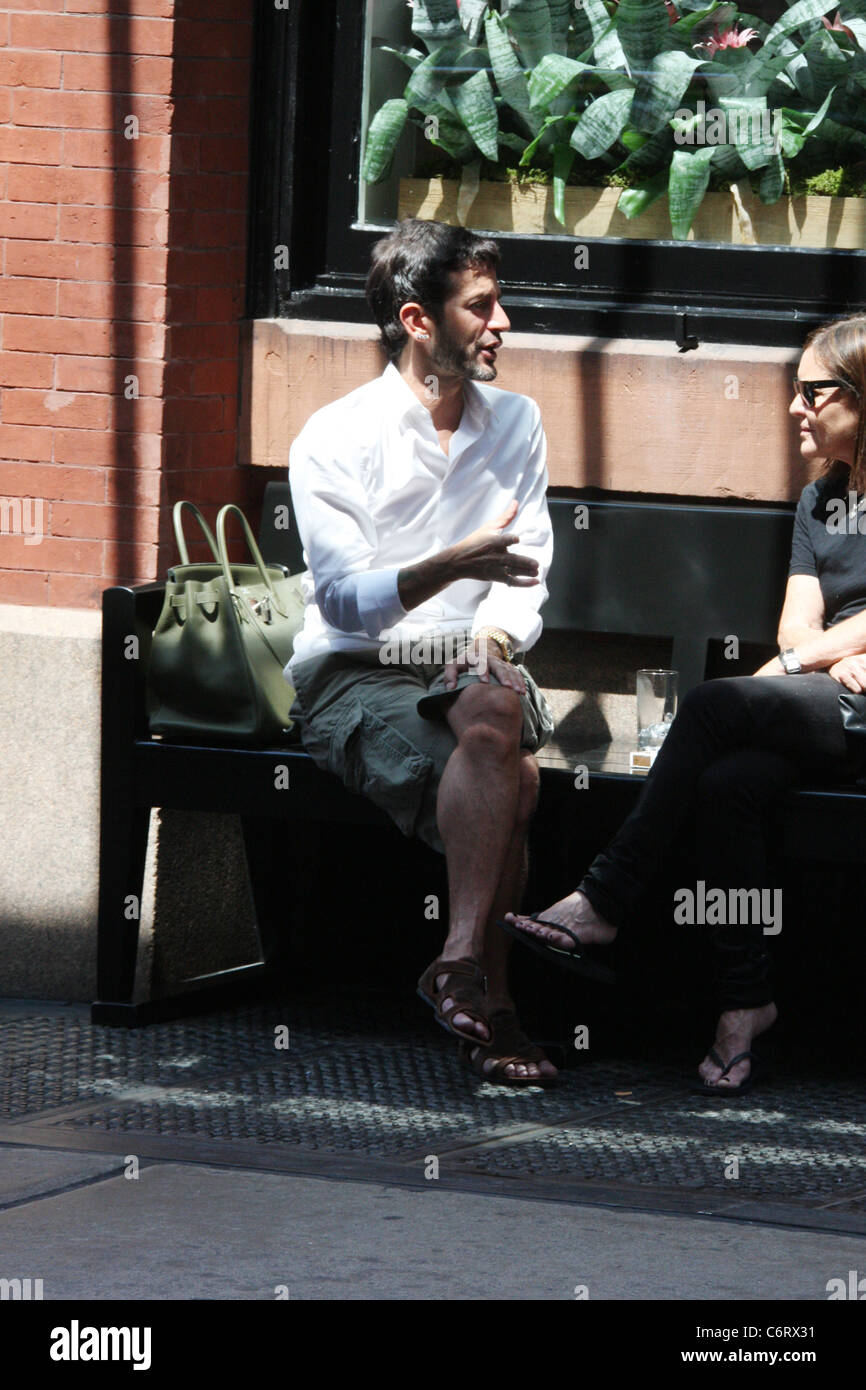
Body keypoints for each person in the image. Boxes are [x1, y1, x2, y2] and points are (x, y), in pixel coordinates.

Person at [503, 311, 866, 1094]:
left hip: (846, 703)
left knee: (706, 709)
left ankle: (602, 899)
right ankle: (746, 1002)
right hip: (828, 702)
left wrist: (813, 656)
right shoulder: (819, 501)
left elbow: (809, 642)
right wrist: (831, 653)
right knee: (723, 785)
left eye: (813, 391)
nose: (795, 407)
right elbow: (795, 625)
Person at [285, 218, 557, 1085]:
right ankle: (497, 1007)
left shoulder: (517, 422)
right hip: (355, 669)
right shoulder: (335, 435)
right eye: (480, 307)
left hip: (476, 658)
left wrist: (486, 635)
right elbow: (342, 603)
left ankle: (458, 963)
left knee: (492, 697)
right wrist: (448, 567)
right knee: (516, 778)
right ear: (416, 321)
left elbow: (529, 570)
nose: (502, 323)